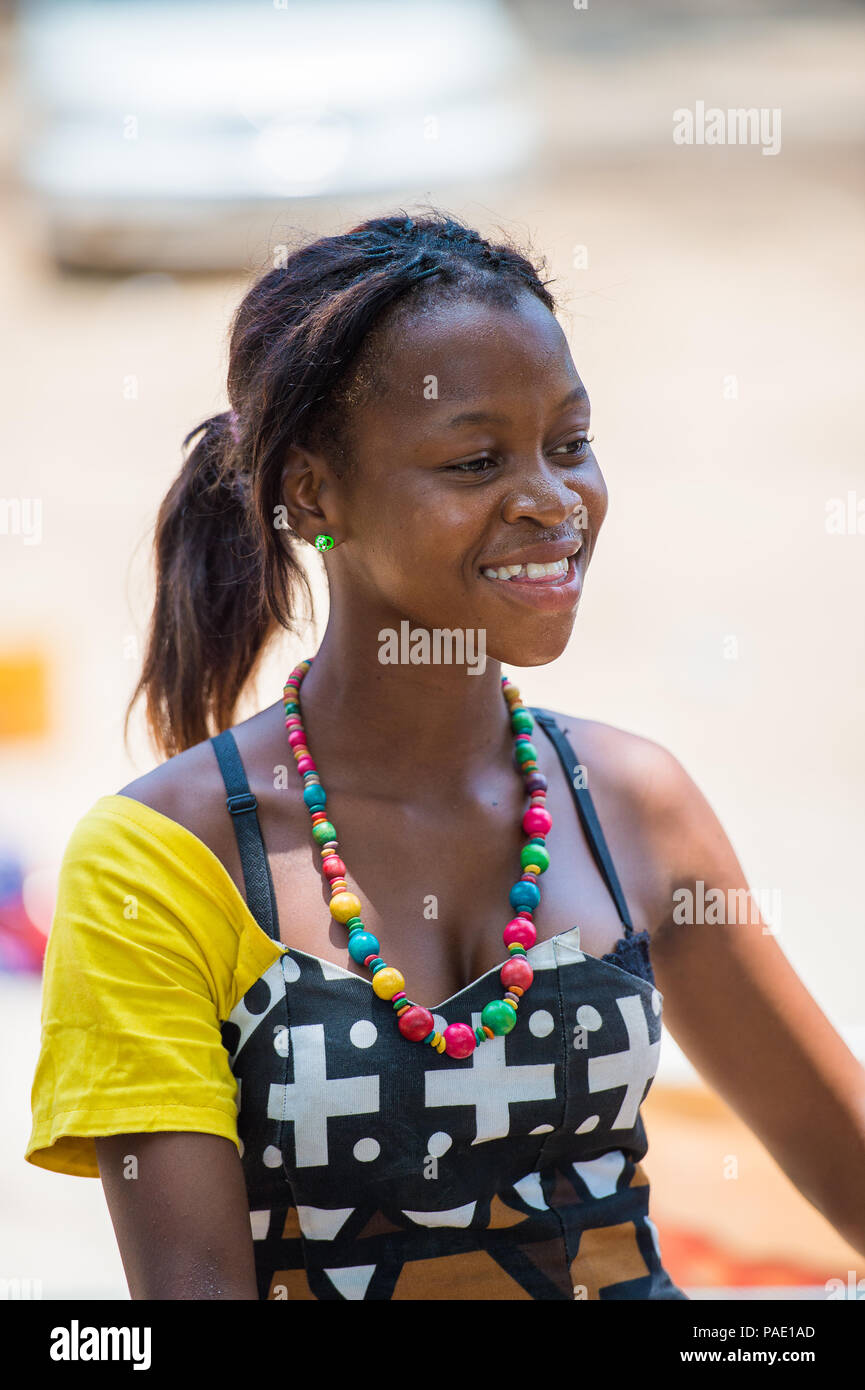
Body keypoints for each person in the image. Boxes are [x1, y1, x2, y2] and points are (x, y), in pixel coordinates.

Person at [25, 210, 865, 1301]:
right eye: (476, 459)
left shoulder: (630, 804)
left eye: (570, 444)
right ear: (314, 494)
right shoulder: (158, 863)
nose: (552, 502)